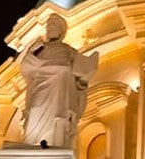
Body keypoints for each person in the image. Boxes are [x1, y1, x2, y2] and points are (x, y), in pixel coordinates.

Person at [18, 14, 98, 149]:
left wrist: (83, 79)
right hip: (41, 87)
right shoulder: (39, 48)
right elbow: (26, 67)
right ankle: (34, 145)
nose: (51, 28)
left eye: (55, 26)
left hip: (61, 90)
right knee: (35, 111)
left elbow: (80, 76)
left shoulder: (69, 51)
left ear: (61, 31)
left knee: (58, 118)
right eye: (49, 26)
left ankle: (55, 144)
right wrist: (35, 57)